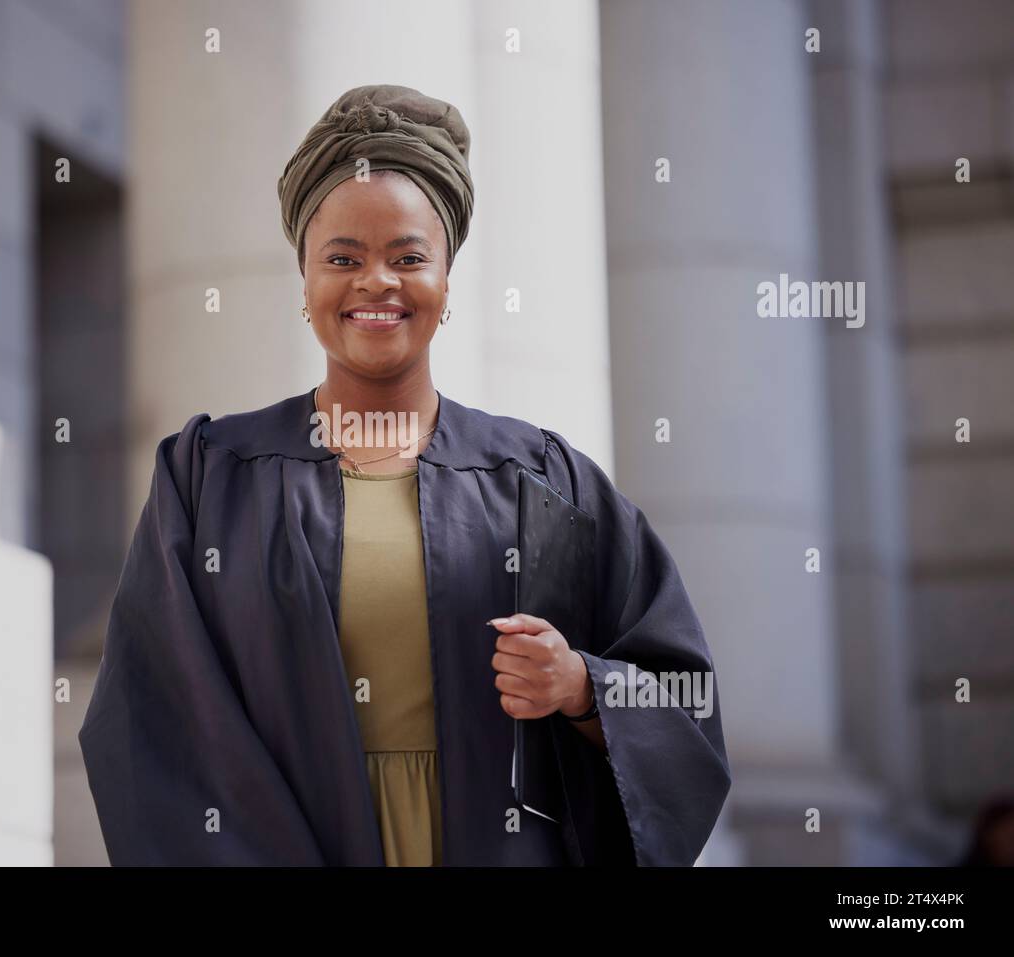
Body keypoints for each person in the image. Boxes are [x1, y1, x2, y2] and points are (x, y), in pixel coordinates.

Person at [79, 84, 730, 866]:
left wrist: (582, 687)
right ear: (306, 282)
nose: (375, 282)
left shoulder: (544, 482)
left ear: (448, 282)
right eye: (342, 259)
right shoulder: (210, 478)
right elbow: (152, 719)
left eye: (408, 257)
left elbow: (682, 699)